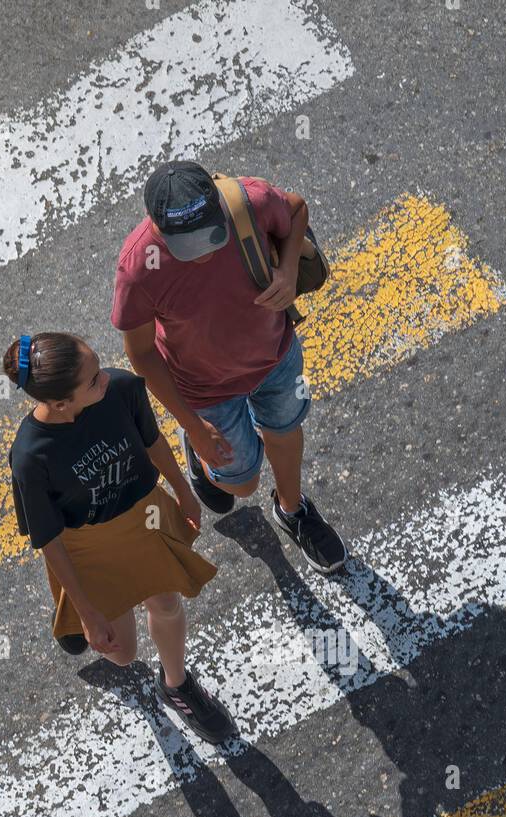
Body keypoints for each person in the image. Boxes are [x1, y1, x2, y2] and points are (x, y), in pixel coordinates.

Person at [111, 160, 347, 574]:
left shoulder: (248, 200)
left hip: (274, 355)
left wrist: (289, 269)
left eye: (210, 236)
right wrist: (194, 427)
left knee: (285, 429)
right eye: (189, 245)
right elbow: (142, 353)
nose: (202, 254)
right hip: (203, 388)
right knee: (242, 483)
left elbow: (294, 210)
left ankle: (293, 510)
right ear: (157, 228)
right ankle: (199, 454)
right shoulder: (138, 266)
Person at [4, 331, 236, 744]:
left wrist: (184, 492)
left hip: (143, 515)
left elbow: (152, 442)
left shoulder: (123, 388)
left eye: (98, 368)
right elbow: (49, 538)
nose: (106, 379)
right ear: (59, 403)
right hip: (87, 545)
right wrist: (87, 611)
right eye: (93, 380)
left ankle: (177, 683)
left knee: (166, 602)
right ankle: (76, 619)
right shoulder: (29, 456)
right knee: (124, 654)